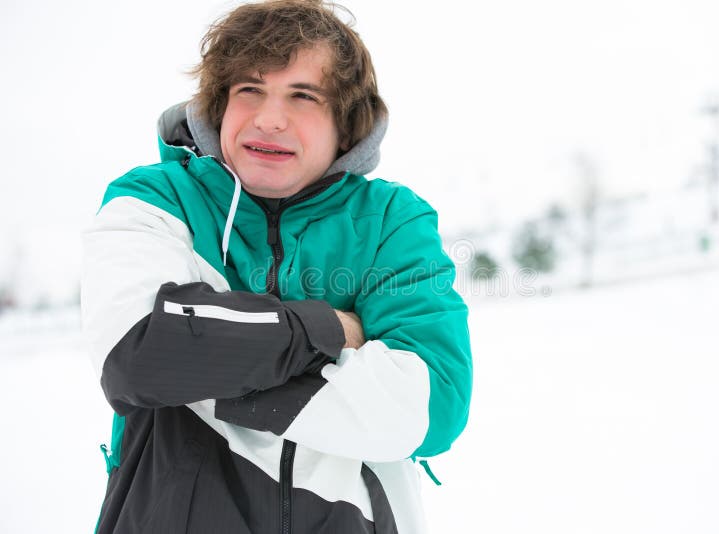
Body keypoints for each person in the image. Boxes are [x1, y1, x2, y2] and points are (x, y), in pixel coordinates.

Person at [81, 1, 472, 533]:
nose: (269, 118)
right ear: (217, 106)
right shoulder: (154, 198)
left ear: (345, 124)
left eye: (303, 96)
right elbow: (137, 355)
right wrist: (331, 329)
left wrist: (204, 356)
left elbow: (434, 407)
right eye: (249, 90)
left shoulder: (391, 221)